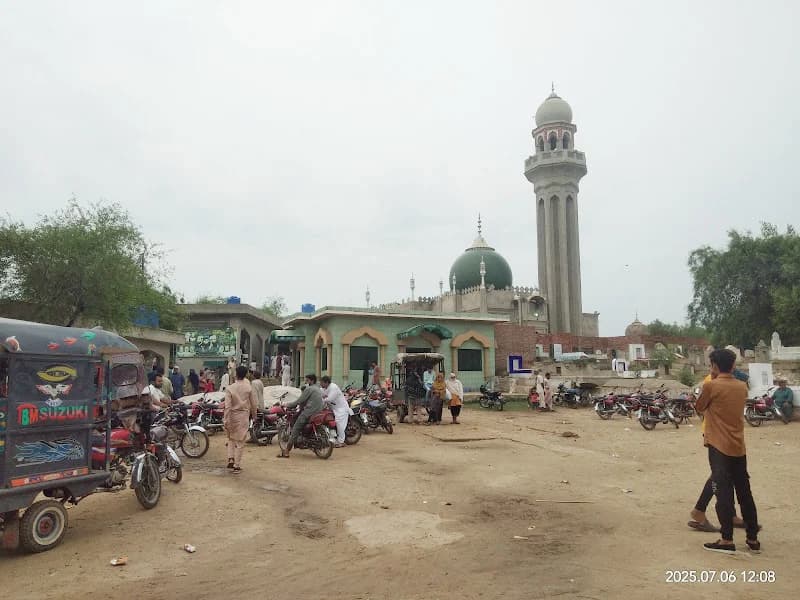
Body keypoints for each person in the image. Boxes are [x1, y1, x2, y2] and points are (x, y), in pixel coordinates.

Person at [695, 348, 760, 554]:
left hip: (718, 445)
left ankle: (726, 539)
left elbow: (699, 406)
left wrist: (713, 378)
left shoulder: (710, 386)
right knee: (744, 492)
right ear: (733, 365)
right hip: (738, 446)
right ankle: (752, 538)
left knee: (722, 491)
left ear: (714, 365)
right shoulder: (742, 387)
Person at [278, 374, 323, 458]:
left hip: (309, 412)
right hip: (319, 412)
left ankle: (287, 451)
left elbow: (299, 401)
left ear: (311, 380)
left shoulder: (309, 389)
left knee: (296, 428)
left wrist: (288, 405)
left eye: (307, 380)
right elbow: (305, 402)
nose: (306, 381)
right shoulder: (318, 389)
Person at [223, 365, 258, 474]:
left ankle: (230, 458)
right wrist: (255, 415)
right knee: (241, 441)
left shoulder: (230, 388)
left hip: (232, 415)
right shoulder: (248, 387)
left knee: (231, 438)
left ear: (236, 374)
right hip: (243, 415)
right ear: (246, 374)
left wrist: (226, 419)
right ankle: (236, 465)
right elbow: (253, 404)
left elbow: (227, 406)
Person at [321, 375, 352, 447]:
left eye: (322, 383)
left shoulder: (333, 387)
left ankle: (341, 441)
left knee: (339, 424)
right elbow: (319, 394)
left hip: (341, 409)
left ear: (326, 382)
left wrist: (322, 399)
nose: (320, 384)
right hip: (333, 409)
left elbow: (330, 399)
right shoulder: (324, 388)